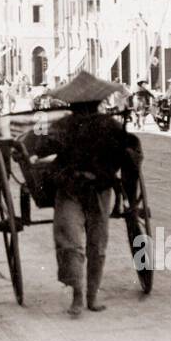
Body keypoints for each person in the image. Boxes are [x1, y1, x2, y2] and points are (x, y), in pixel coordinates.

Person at [42, 73, 142, 318]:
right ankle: (82, 295)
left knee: (86, 243)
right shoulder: (70, 126)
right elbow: (129, 153)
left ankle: (87, 295)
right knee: (79, 242)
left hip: (93, 188)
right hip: (76, 188)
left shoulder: (104, 126)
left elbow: (42, 149)